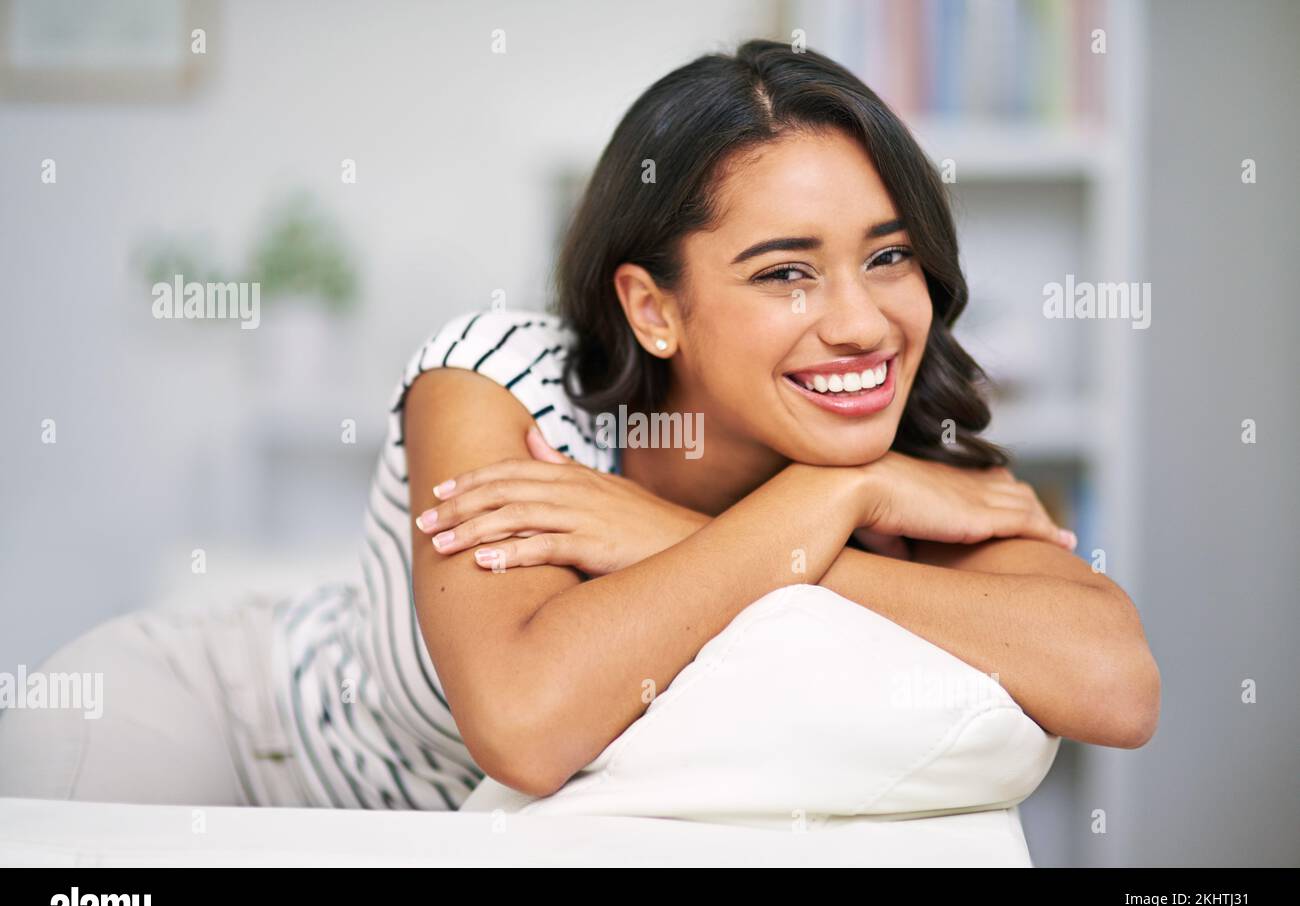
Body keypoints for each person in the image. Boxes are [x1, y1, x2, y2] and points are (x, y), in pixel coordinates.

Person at [0, 39, 1159, 812]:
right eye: (785, 273)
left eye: (889, 255)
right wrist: (821, 511)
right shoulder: (500, 380)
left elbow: (1115, 685)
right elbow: (525, 720)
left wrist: (749, 519)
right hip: (245, 747)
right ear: (651, 307)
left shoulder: (901, 452)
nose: (860, 324)